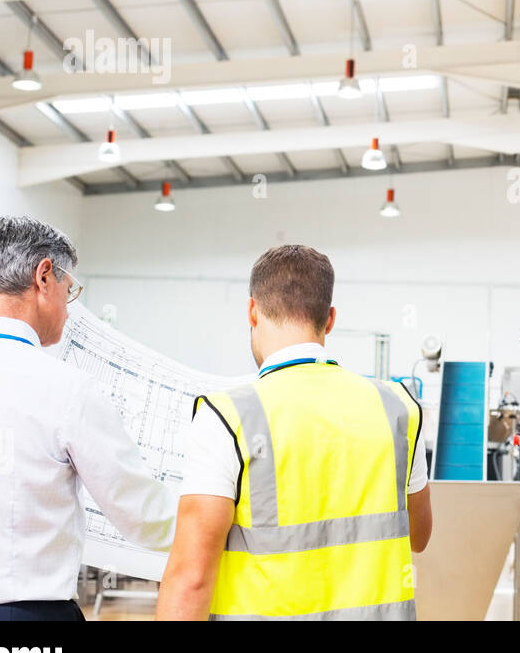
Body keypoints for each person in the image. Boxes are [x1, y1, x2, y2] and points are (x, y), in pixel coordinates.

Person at [0, 216, 176, 620]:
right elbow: (146, 517)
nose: (69, 311)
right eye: (70, 292)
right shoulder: (68, 389)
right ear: (44, 277)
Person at [157, 244, 433, 620]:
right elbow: (419, 535)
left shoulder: (226, 417)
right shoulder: (396, 408)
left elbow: (191, 578)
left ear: (252, 310)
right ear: (330, 319)